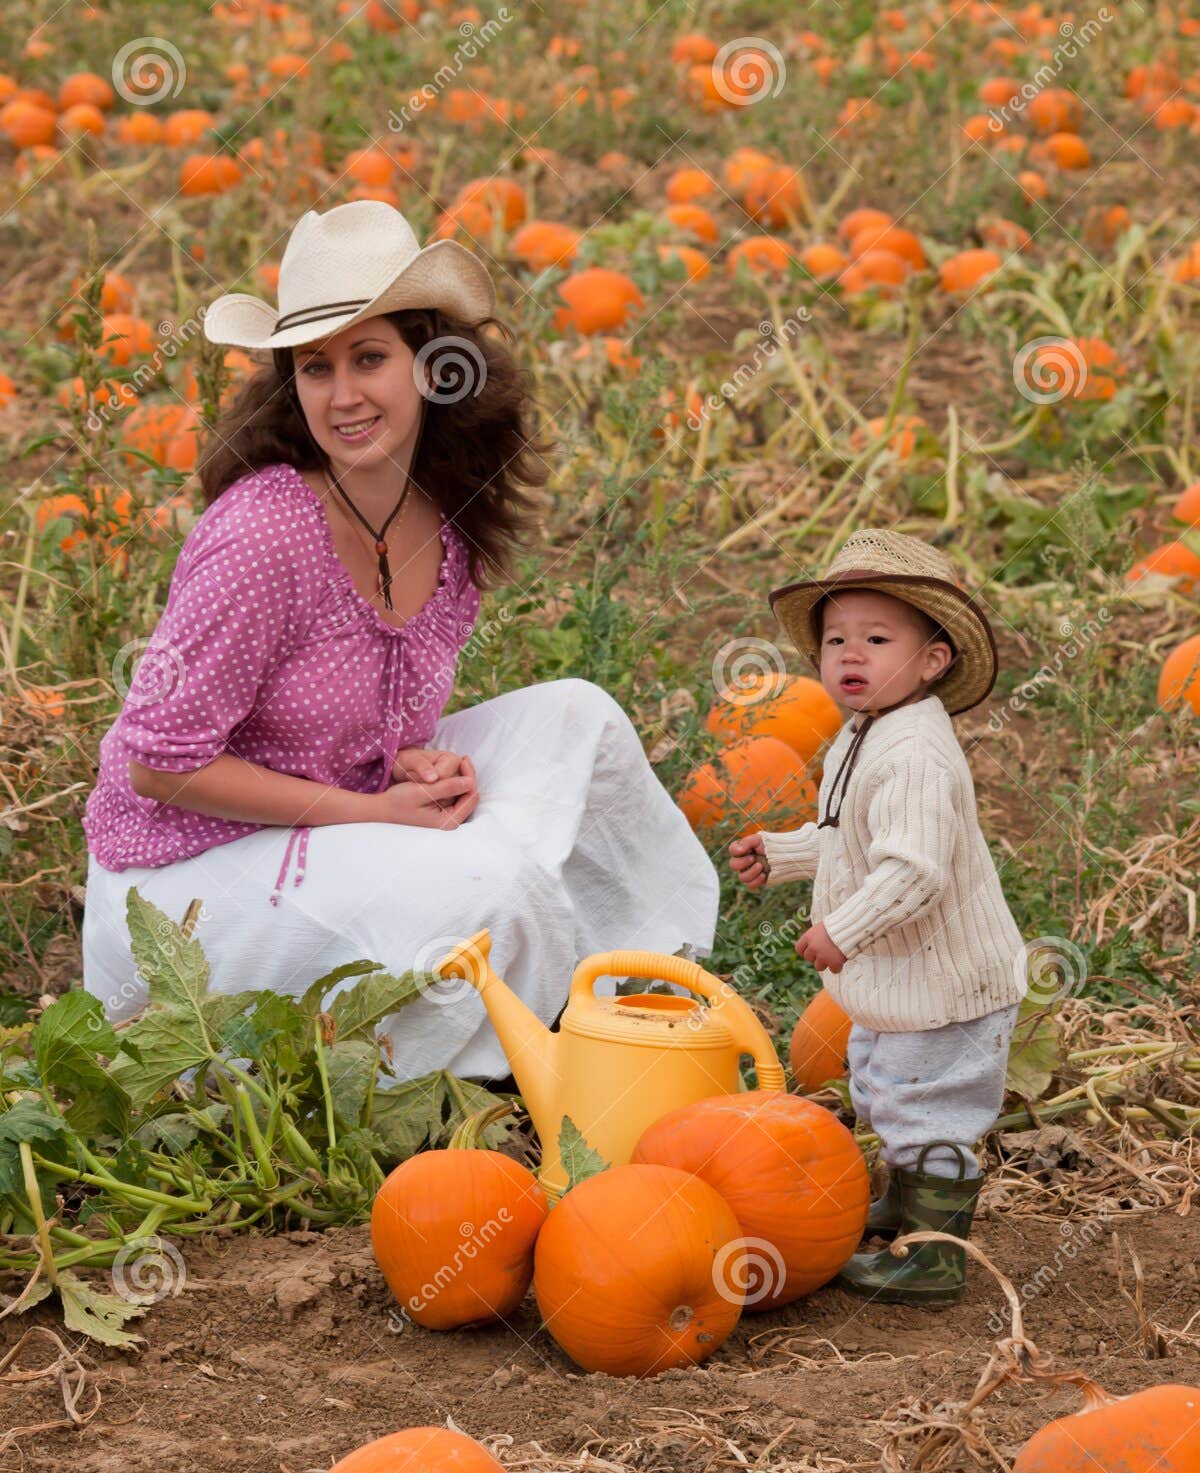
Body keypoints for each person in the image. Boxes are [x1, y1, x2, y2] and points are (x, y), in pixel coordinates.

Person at [81, 201, 719, 1079]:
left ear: (431, 367)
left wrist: (407, 759)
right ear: (289, 385)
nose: (343, 396)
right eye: (315, 368)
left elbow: (347, 705)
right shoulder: (262, 536)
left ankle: (644, 983)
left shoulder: (444, 514)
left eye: (369, 358)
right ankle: (525, 1049)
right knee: (487, 892)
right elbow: (157, 763)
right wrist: (374, 810)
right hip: (185, 892)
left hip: (325, 806)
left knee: (582, 719)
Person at [729, 529, 1027, 1306]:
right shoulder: (865, 734)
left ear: (933, 660)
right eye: (835, 639)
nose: (850, 654)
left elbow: (913, 871)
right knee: (886, 1088)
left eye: (877, 638)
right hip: (906, 980)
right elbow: (849, 837)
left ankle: (935, 1259)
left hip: (948, 982)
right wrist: (786, 854)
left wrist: (842, 931)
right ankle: (907, 1203)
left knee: (929, 1105)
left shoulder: (915, 755)